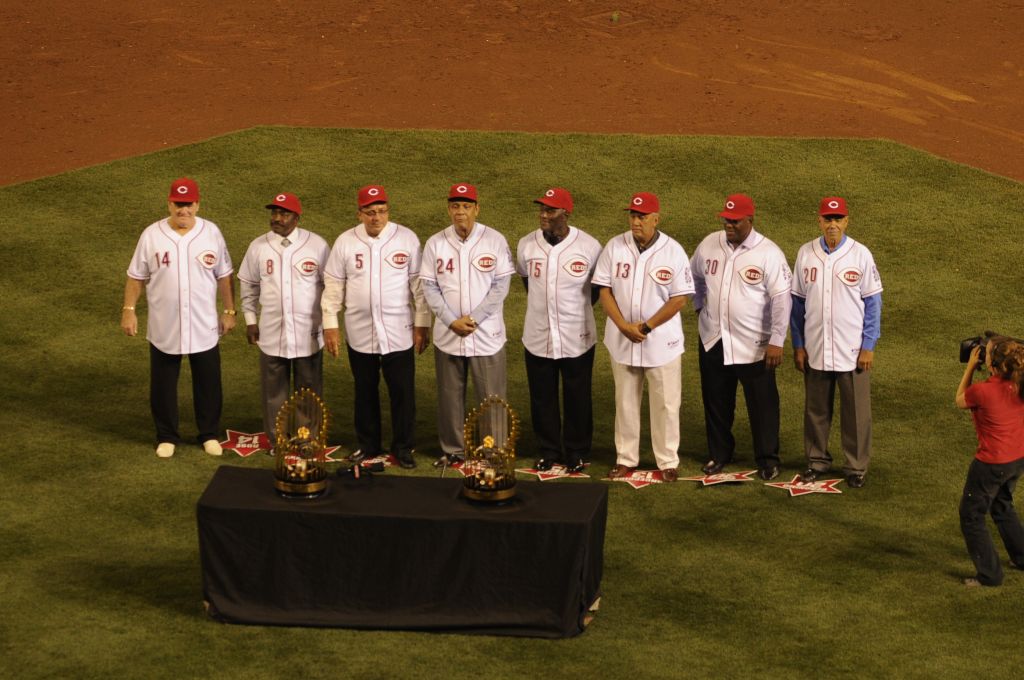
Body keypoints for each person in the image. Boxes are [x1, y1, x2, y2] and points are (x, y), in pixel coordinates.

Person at [121, 178, 236, 458]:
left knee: (208, 383)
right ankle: (166, 435)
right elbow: (136, 276)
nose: (183, 210)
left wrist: (230, 310)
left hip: (203, 323)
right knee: (162, 384)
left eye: (188, 204)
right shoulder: (152, 235)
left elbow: (224, 274)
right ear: (169, 204)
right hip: (165, 325)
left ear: (197, 204)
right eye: (178, 204)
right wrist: (128, 310)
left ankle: (209, 434)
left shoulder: (212, 233)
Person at [321, 185, 430, 469]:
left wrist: (422, 323)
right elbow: (334, 285)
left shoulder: (406, 238)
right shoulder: (345, 242)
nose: (376, 218)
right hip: (359, 330)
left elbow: (419, 285)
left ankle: (404, 448)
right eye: (370, 212)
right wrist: (330, 323)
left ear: (387, 212)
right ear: (359, 214)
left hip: (399, 330)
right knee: (364, 390)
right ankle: (368, 445)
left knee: (402, 393)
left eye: (381, 211)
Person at [592, 192, 694, 482]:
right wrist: (624, 326)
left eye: (642, 216)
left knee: (666, 403)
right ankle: (626, 459)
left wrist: (646, 327)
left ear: (655, 219)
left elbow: (679, 300)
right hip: (622, 339)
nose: (636, 221)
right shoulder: (615, 246)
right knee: (625, 402)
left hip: (662, 343)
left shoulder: (673, 250)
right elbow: (604, 291)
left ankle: (667, 462)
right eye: (633, 215)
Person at [690, 193, 791, 480]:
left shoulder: (768, 253)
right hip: (713, 339)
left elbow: (782, 299)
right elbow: (693, 275)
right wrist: (700, 306)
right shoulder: (710, 244)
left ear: (750, 220)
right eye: (726, 219)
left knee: (762, 405)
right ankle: (719, 454)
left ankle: (768, 459)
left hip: (755, 345)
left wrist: (776, 340)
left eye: (735, 221)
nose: (729, 224)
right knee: (716, 401)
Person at [791, 197, 882, 488]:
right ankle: (817, 461)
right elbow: (797, 305)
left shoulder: (861, 255)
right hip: (816, 347)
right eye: (827, 219)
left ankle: (856, 467)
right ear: (819, 220)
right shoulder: (806, 253)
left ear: (846, 221)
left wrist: (869, 345)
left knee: (856, 414)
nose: (832, 224)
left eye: (837, 218)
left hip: (853, 350)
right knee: (816, 410)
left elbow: (873, 304)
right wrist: (798, 344)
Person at [420, 183, 514, 466]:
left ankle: (494, 451)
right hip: (448, 335)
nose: (460, 211)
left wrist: (473, 319)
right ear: (449, 209)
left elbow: (501, 286)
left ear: (476, 208)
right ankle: (453, 451)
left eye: (466, 206)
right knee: (449, 397)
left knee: (492, 397)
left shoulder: (495, 240)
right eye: (455, 206)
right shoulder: (435, 242)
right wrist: (451, 321)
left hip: (485, 333)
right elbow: (429, 287)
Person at [516, 187, 602, 473]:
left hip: (577, 335)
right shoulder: (527, 245)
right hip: (538, 334)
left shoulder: (589, 247)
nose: (543, 215)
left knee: (578, 395)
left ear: (566, 213)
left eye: (550, 211)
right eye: (541, 209)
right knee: (542, 396)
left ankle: (577, 451)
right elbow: (528, 283)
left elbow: (596, 291)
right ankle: (549, 450)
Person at [238, 192, 330, 445]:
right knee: (273, 392)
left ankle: (306, 438)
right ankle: (278, 439)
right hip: (271, 330)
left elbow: (330, 286)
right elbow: (248, 286)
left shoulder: (317, 245)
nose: (277, 218)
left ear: (296, 217)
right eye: (274, 213)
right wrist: (250, 320)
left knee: (308, 390)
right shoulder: (258, 246)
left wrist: (328, 323)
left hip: (308, 331)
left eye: (283, 213)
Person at [955, 336, 1024, 587]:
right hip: (1018, 458)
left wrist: (970, 367)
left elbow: (960, 399)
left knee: (971, 514)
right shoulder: (1019, 384)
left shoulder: (982, 391)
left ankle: (990, 575)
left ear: (993, 365)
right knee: (1001, 503)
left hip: (992, 463)